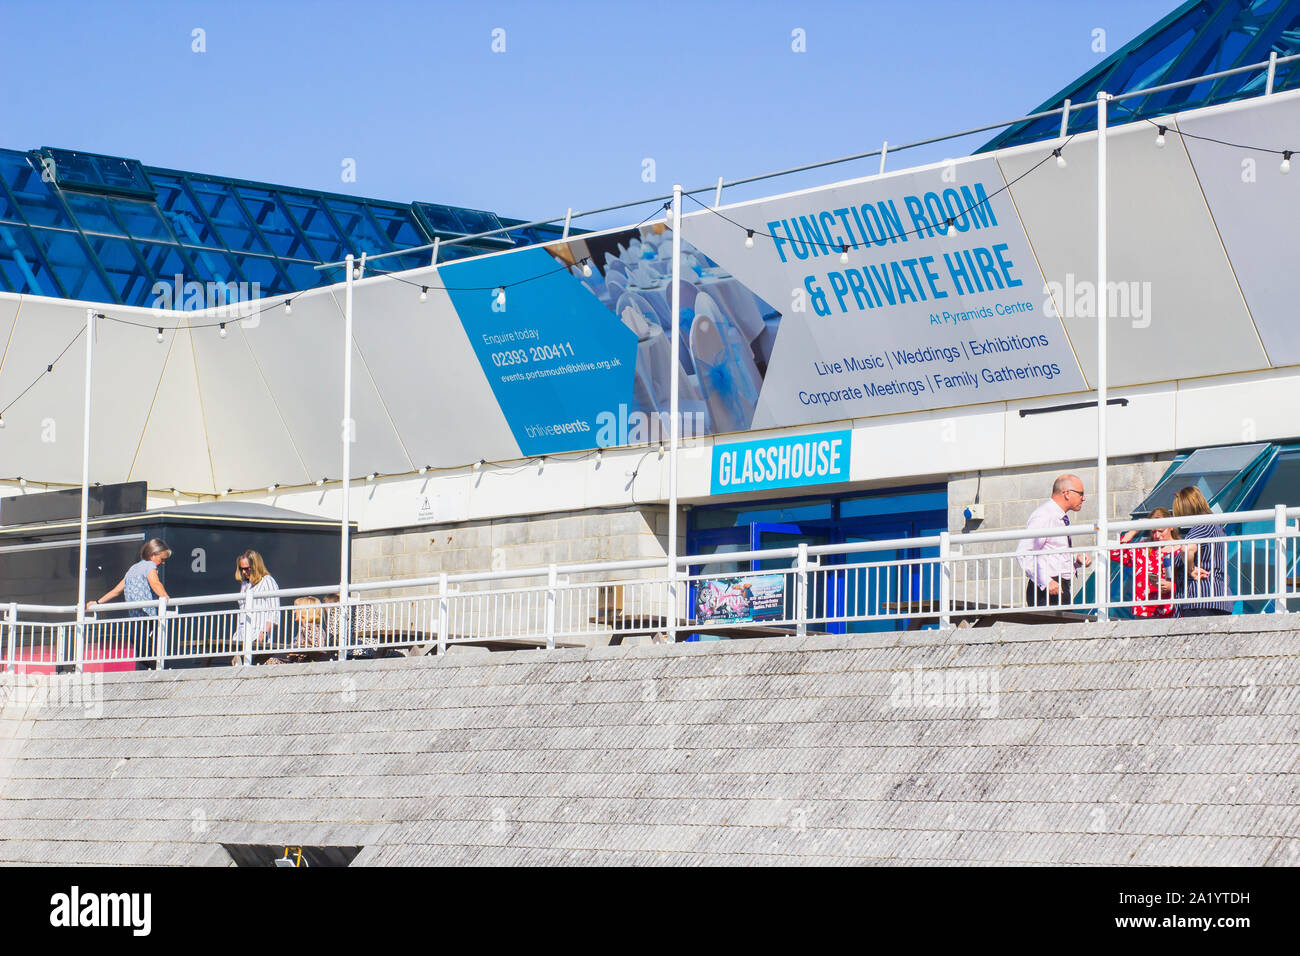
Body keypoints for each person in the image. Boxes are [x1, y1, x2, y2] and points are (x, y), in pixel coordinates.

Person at [91, 538, 171, 668]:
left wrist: (97, 602)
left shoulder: (133, 569)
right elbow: (155, 583)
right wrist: (165, 596)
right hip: (147, 616)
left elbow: (116, 591)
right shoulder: (150, 565)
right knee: (152, 651)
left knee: (141, 651)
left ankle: (145, 675)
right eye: (162, 559)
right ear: (153, 555)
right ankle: (158, 672)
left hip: (134, 617)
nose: (162, 563)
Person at [1016, 474, 1093, 607]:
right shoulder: (1044, 515)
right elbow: (1023, 553)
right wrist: (1046, 581)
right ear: (1067, 493)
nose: (1083, 498)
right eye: (1081, 493)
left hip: (1059, 587)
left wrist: (1076, 560)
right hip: (1046, 590)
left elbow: (1054, 551)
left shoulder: (1057, 516)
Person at [1171, 486, 1233, 617]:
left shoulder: (1203, 525)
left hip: (1200, 599)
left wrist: (1190, 569)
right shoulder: (1217, 527)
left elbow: (1187, 548)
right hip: (1215, 598)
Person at [1111, 508, 1179, 618]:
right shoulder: (1143, 548)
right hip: (1144, 610)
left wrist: (1173, 587)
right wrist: (1134, 530)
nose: (1157, 536)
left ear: (1171, 527)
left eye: (1161, 531)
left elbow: (1190, 580)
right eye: (1153, 531)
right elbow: (1114, 553)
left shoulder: (1181, 549)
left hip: (1169, 610)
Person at [231, 550, 281, 665]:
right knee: (238, 663)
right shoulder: (245, 585)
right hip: (241, 633)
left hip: (257, 632)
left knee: (250, 662)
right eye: (241, 568)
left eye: (247, 568)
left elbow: (273, 610)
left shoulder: (267, 581)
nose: (244, 572)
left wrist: (264, 632)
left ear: (255, 566)